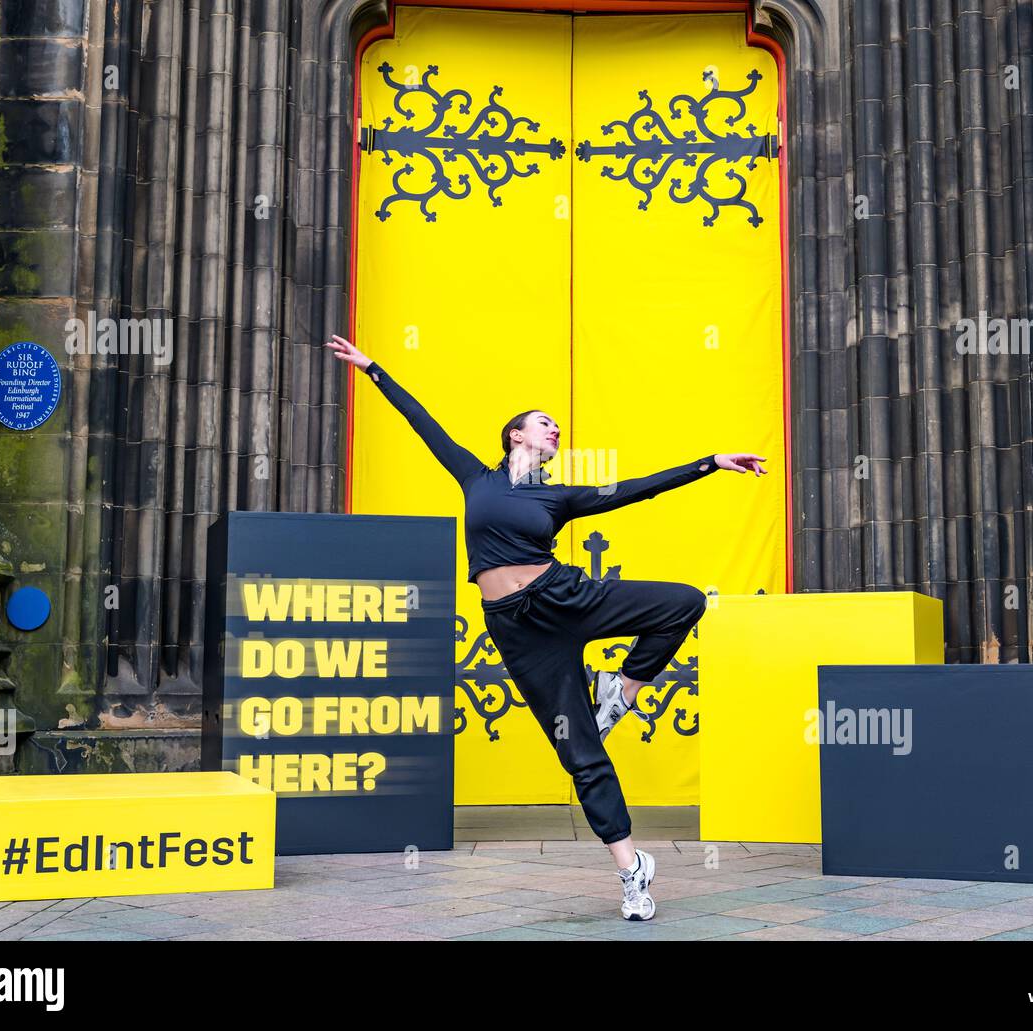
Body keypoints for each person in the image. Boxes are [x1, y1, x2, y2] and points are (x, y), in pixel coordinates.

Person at [326, 334, 767, 920]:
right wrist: (372, 369)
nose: (554, 430)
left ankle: (623, 690)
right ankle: (632, 871)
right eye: (544, 423)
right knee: (579, 752)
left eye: (557, 426)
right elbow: (422, 422)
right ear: (516, 434)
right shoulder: (474, 477)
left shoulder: (559, 495)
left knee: (683, 603)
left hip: (566, 597)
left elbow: (637, 489)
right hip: (518, 630)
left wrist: (710, 464)